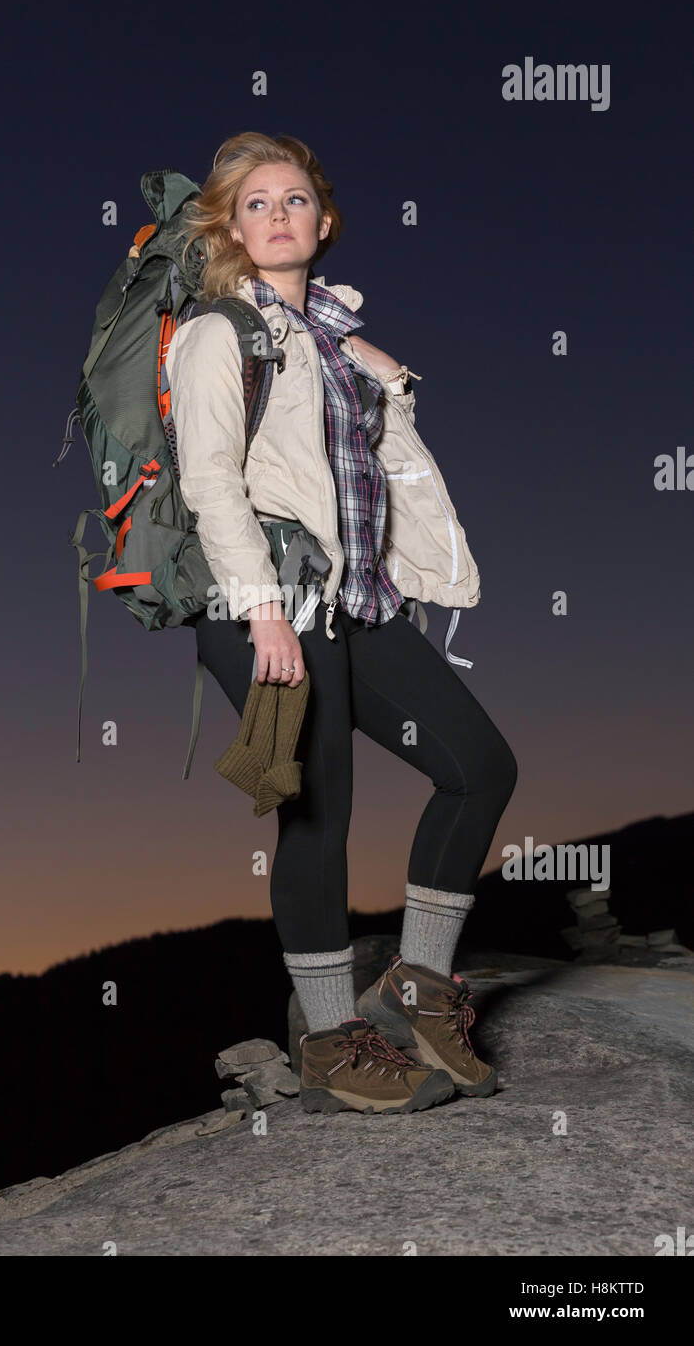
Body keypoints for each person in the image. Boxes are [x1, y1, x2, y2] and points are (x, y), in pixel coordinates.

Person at [166, 132, 518, 1115]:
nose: (277, 215)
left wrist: (387, 383)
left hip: (354, 598)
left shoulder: (332, 338)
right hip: (263, 599)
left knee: (480, 766)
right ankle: (329, 1043)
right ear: (231, 230)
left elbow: (373, 479)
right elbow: (208, 482)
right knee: (318, 808)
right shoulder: (217, 333)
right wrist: (264, 612)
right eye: (255, 204)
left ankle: (421, 984)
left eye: (294, 200)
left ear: (322, 222)